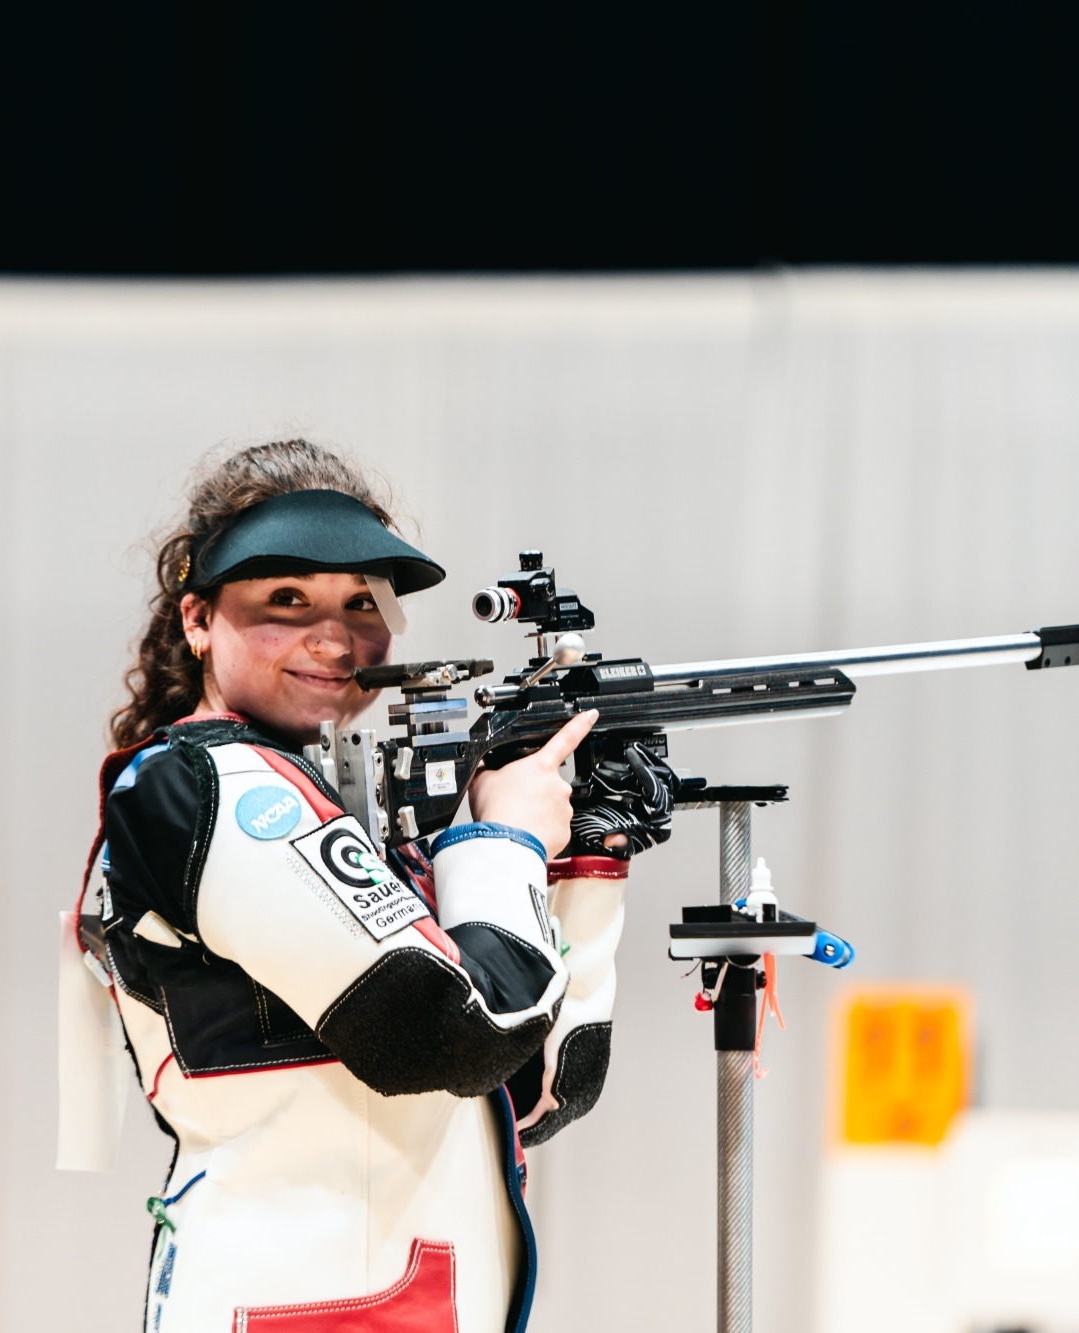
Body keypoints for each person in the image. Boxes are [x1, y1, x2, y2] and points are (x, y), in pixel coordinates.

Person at [80, 440, 668, 1332]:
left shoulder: (337, 800)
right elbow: (445, 1037)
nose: (334, 637)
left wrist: (583, 857)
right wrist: (501, 840)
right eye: (287, 600)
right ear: (198, 619)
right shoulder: (206, 784)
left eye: (362, 602)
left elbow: (541, 1084)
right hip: (298, 1307)